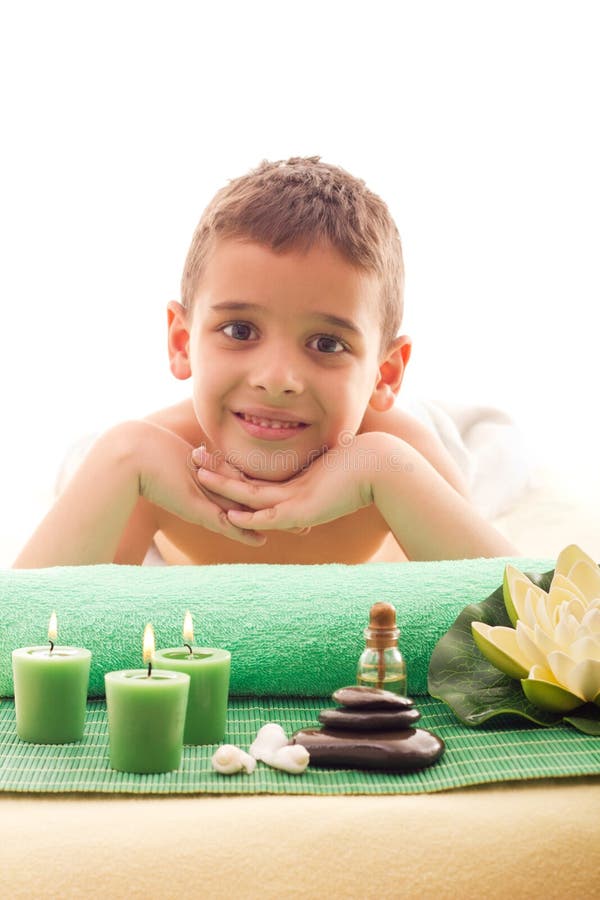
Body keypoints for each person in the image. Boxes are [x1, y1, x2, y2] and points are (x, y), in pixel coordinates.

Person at [13, 156, 516, 568]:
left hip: (405, 430)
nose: (277, 380)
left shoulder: (399, 456)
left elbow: (543, 628)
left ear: (385, 374)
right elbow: (33, 635)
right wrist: (121, 456)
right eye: (239, 331)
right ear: (183, 341)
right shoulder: (148, 471)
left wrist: (390, 475)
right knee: (87, 467)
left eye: (326, 343)